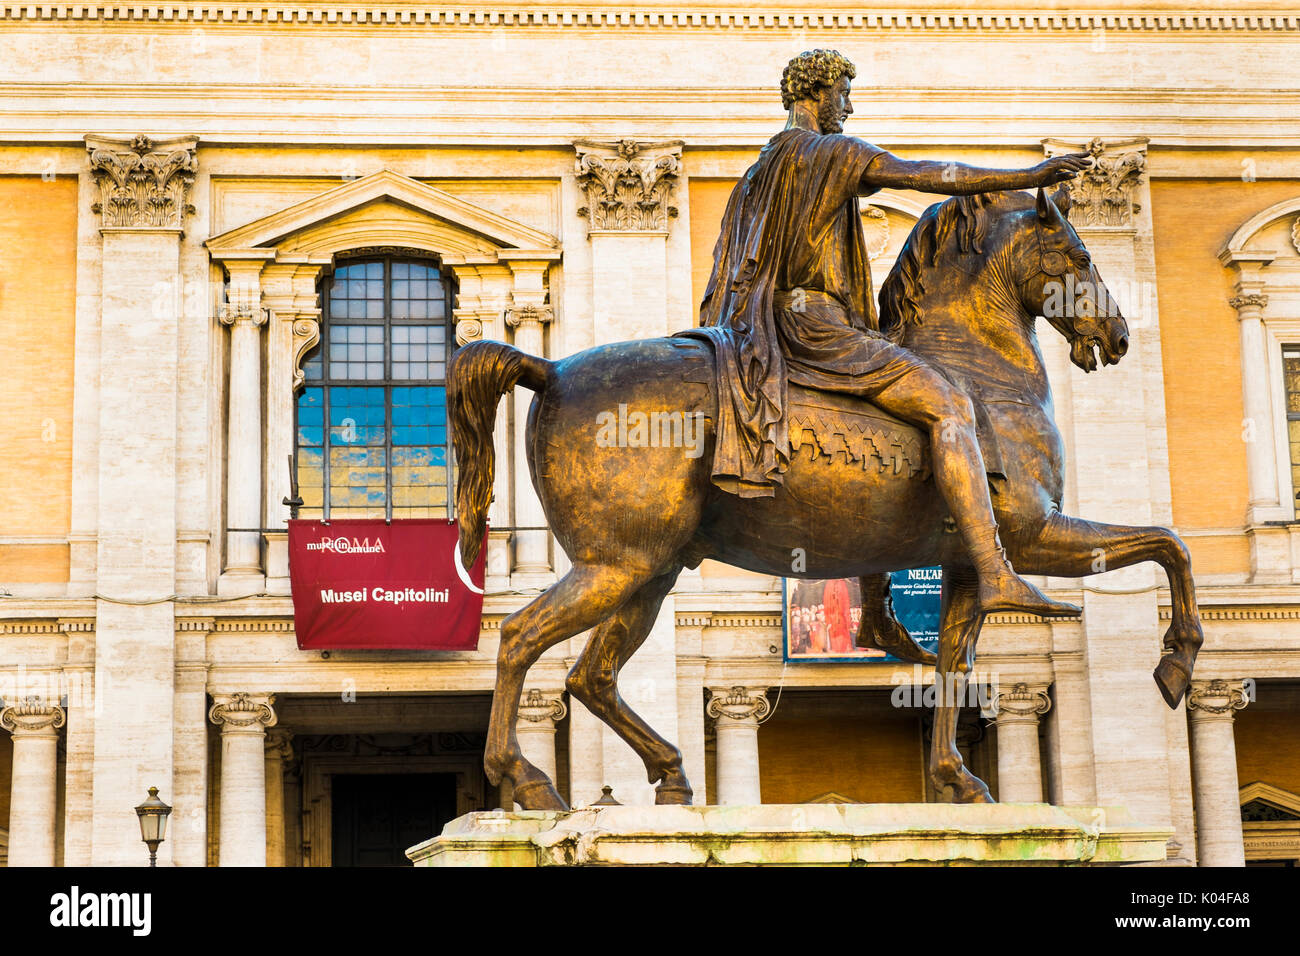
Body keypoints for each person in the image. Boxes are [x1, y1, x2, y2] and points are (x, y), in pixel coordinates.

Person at [687, 49, 1092, 633]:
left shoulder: (763, 167)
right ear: (817, 91)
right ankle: (996, 570)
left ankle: (875, 611)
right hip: (817, 327)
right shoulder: (830, 152)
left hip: (761, 324)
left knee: (882, 434)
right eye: (843, 92)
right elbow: (931, 177)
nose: (849, 105)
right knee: (950, 404)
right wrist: (1026, 178)